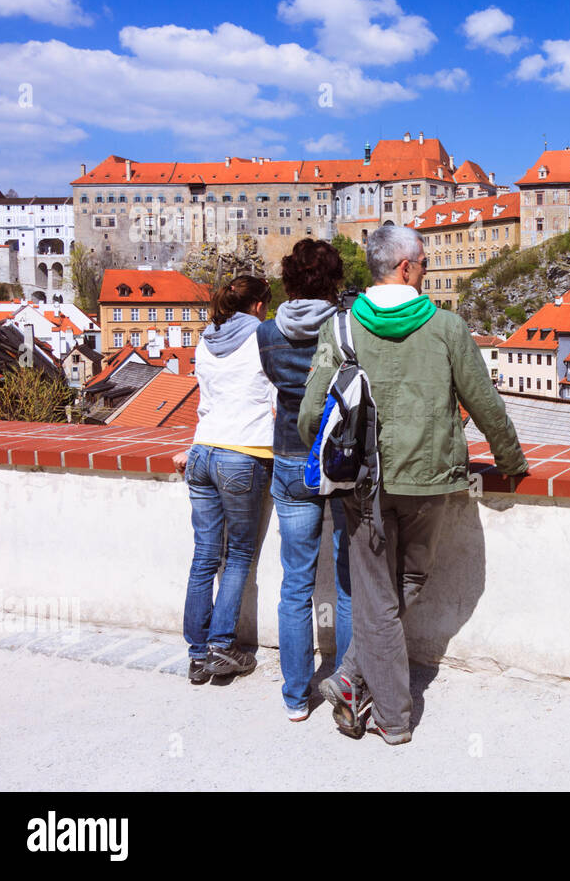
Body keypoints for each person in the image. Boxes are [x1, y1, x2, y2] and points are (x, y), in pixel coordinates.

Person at [299, 225, 527, 746]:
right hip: (430, 480)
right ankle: (393, 717)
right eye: (424, 262)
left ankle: (352, 680)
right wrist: (510, 460)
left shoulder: (342, 329)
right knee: (411, 581)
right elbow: (484, 402)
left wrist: (331, 453)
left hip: (363, 484)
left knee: (375, 595)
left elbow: (311, 413)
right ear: (406, 268)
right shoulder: (446, 327)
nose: (426, 270)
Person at [257, 239, 352, 721]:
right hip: (341, 458)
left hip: (292, 457)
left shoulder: (267, 333)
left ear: (290, 281)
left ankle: (296, 696)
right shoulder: (347, 326)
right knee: (349, 582)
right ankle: (350, 686)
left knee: (296, 584)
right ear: (333, 281)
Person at [174, 275, 275, 683]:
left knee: (204, 556)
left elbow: (207, 402)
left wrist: (195, 444)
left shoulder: (206, 338)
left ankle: (197, 655)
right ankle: (221, 647)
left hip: (202, 452)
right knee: (238, 555)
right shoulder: (264, 336)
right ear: (256, 306)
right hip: (243, 453)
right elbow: (274, 398)